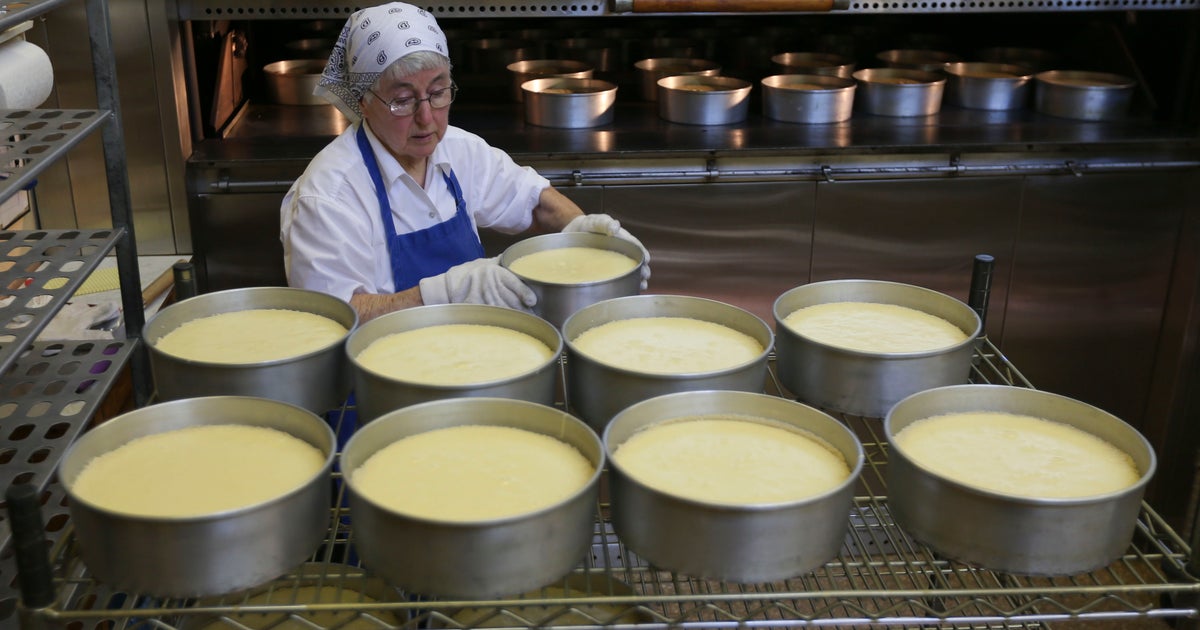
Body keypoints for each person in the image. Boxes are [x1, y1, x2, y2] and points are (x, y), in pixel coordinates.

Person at [280, 2, 650, 323]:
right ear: (362, 101)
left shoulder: (459, 149)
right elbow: (333, 318)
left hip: (469, 363)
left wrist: (584, 229)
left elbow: (535, 202)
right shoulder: (328, 195)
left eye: (438, 93)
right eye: (404, 100)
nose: (427, 118)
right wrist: (444, 294)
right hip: (379, 392)